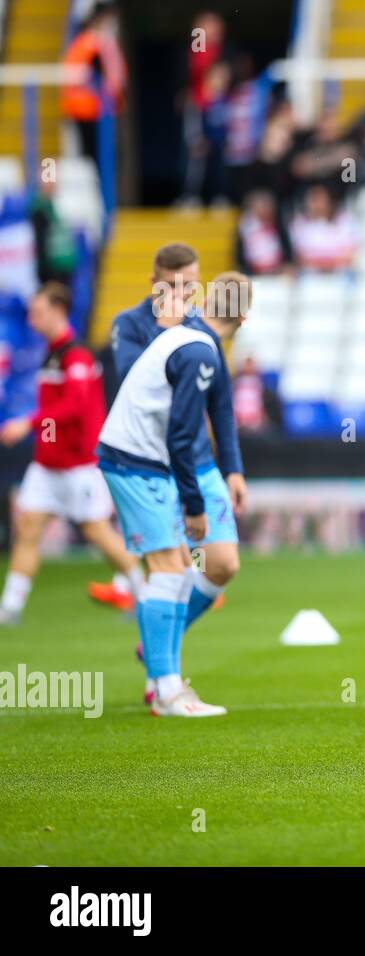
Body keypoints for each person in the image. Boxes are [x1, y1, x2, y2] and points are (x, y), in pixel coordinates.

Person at [97, 271, 250, 717]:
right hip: (138, 461)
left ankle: (165, 677)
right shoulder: (200, 350)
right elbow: (183, 435)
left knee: (182, 568)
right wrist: (195, 506)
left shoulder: (192, 337)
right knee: (168, 568)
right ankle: (166, 692)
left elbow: (199, 421)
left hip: (138, 458)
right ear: (243, 314)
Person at [0, 283, 141, 624]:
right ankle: (11, 607)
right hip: (48, 466)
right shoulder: (52, 355)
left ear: (58, 311)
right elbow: (54, 412)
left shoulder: (76, 355)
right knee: (28, 530)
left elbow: (75, 407)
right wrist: (46, 441)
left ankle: (145, 593)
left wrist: (30, 425)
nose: (32, 320)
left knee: (98, 534)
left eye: (39, 312)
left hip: (78, 467)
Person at [59, 2, 126, 168]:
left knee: (95, 158)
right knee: (96, 159)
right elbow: (100, 78)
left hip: (90, 108)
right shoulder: (94, 43)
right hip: (91, 110)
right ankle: (100, 193)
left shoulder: (85, 41)